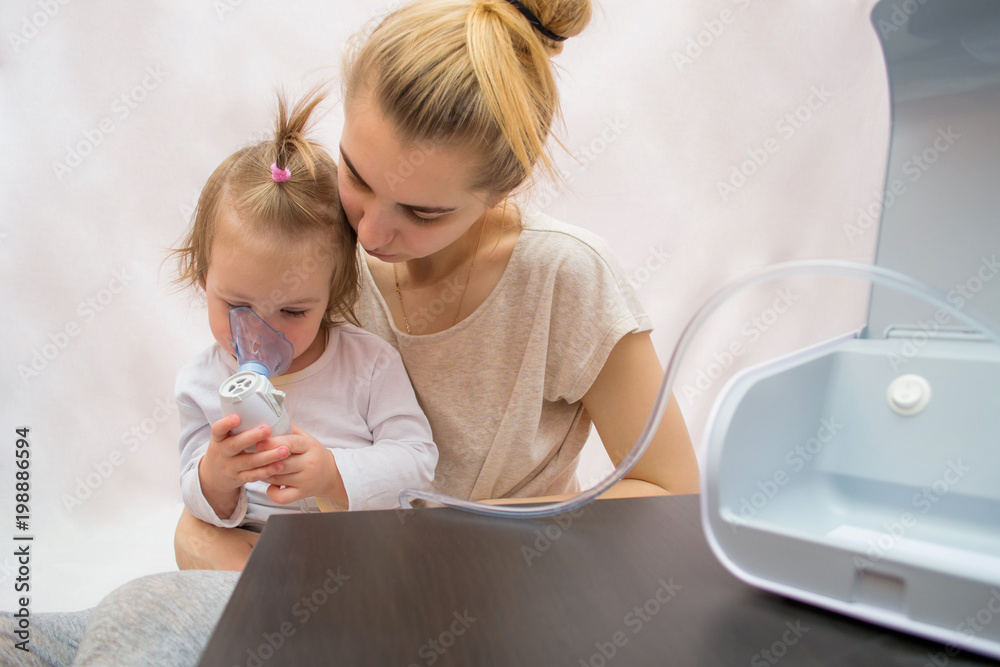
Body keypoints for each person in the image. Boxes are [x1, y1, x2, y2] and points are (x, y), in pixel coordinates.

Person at [0, 0, 699, 664]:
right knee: (92, 604)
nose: (368, 231)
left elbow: (672, 490)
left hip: (478, 596)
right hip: (342, 579)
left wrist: (471, 539)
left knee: (142, 613)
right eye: (358, 176)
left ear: (502, 189)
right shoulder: (327, 249)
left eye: (422, 214)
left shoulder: (565, 279)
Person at [172, 90, 437, 554]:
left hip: (354, 550)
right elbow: (198, 500)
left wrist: (333, 473)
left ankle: (293, 618)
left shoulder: (367, 364)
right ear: (202, 278)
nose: (259, 334)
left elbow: (417, 462)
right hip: (254, 550)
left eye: (293, 311)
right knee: (191, 542)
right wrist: (216, 473)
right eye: (236, 305)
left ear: (332, 296)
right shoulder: (200, 382)